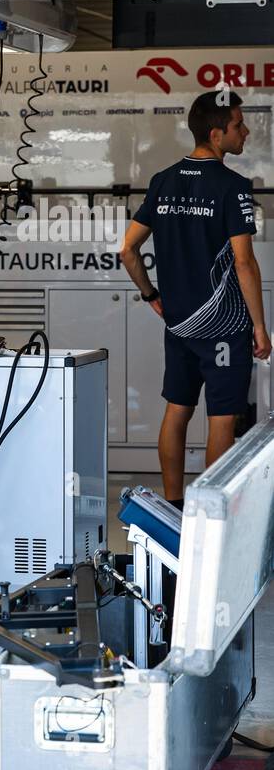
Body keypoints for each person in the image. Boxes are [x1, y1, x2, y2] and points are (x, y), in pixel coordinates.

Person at [120, 90, 270, 507]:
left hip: (179, 322)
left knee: (177, 409)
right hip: (224, 327)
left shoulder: (163, 180)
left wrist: (150, 294)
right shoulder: (233, 186)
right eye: (238, 125)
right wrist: (259, 326)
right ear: (217, 133)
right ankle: (210, 515)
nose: (246, 131)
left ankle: (172, 510)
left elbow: (127, 250)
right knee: (221, 419)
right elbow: (244, 264)